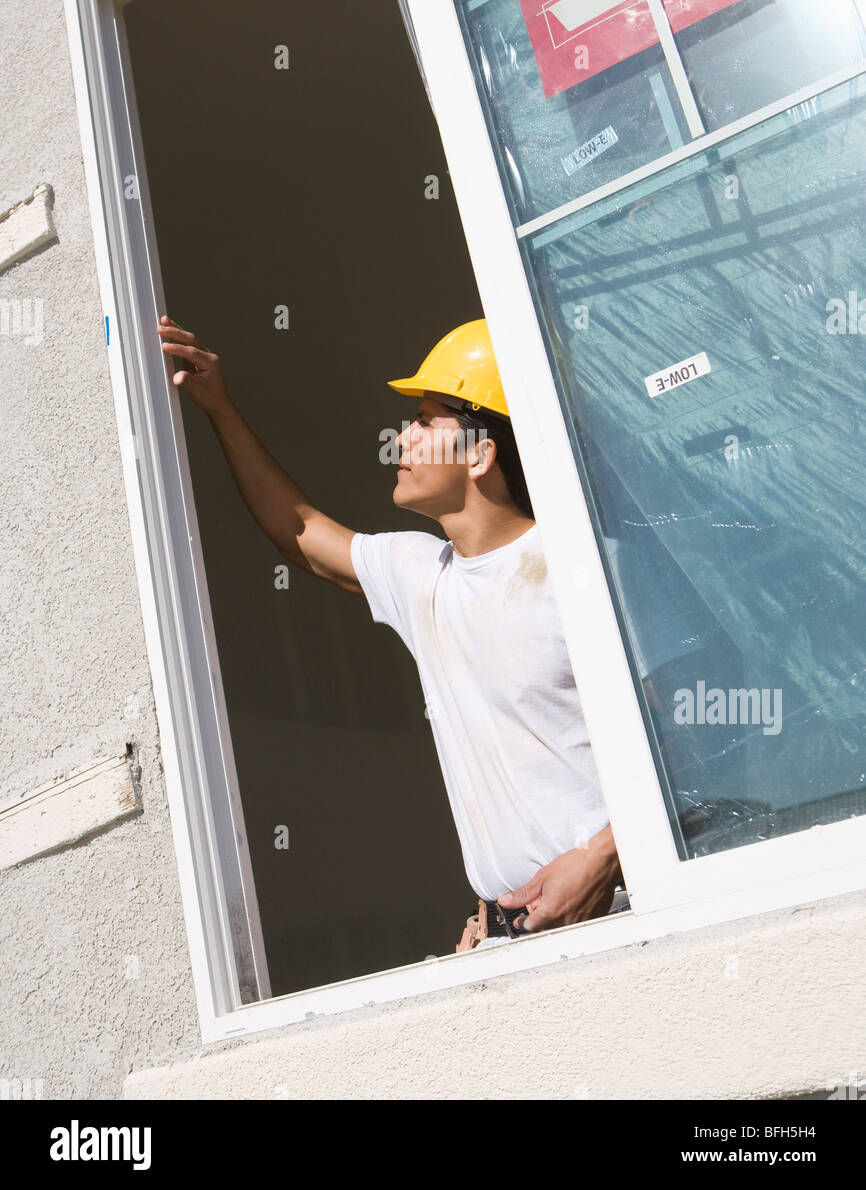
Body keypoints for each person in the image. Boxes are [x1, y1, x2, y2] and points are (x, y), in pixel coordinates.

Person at [157, 313, 625, 951]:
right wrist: (218, 405)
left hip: (619, 914)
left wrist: (605, 858)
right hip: (510, 937)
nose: (401, 439)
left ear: (481, 454)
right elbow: (298, 532)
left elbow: (691, 747)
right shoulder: (420, 573)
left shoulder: (584, 568)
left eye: (426, 421)